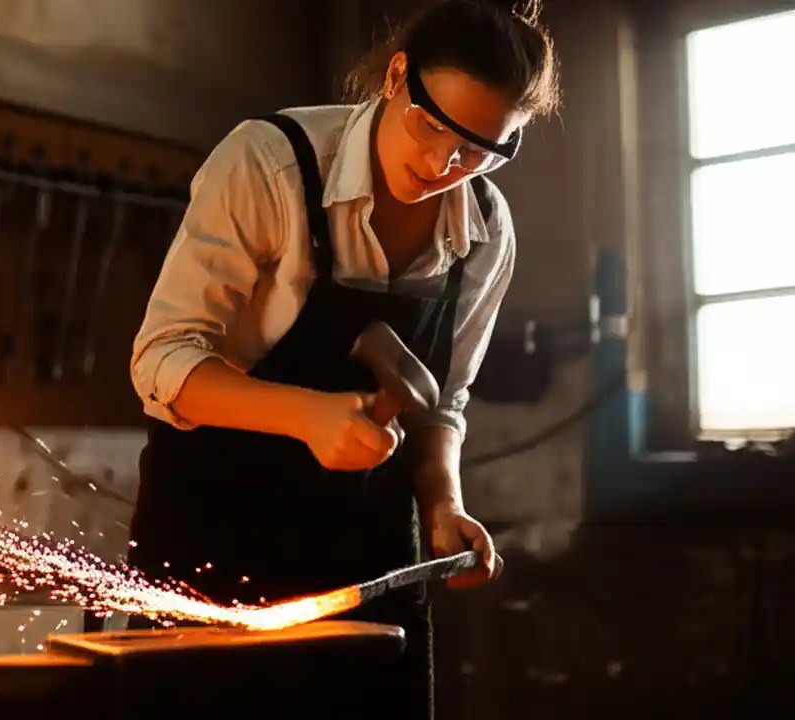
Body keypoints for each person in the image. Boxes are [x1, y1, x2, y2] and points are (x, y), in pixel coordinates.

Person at [125, 0, 560, 715]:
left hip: (368, 556)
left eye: (480, 148)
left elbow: (442, 401)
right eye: (430, 124)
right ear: (397, 77)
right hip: (213, 534)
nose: (441, 163)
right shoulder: (272, 163)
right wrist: (307, 416)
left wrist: (443, 503)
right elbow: (161, 361)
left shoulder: (486, 229)